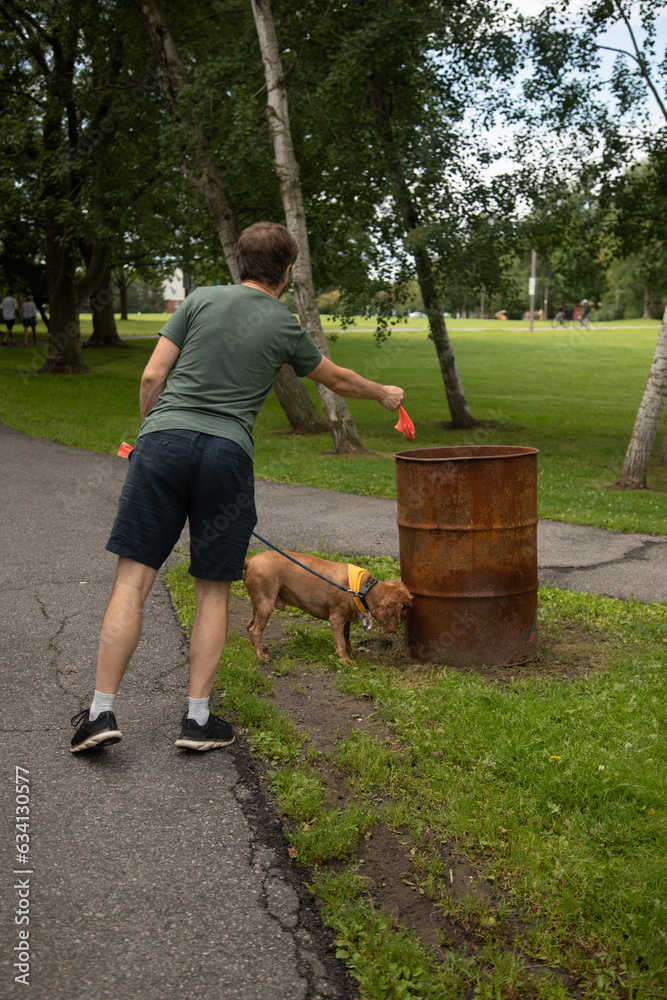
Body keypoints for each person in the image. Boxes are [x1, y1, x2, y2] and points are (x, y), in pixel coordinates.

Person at [70, 221, 405, 753]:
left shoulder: (200, 300)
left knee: (131, 583)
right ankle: (197, 722)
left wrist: (150, 437)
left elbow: (152, 379)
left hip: (163, 444)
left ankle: (99, 713)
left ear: (240, 266)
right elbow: (339, 380)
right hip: (226, 458)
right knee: (212, 590)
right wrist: (385, 393)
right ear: (289, 272)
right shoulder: (286, 325)